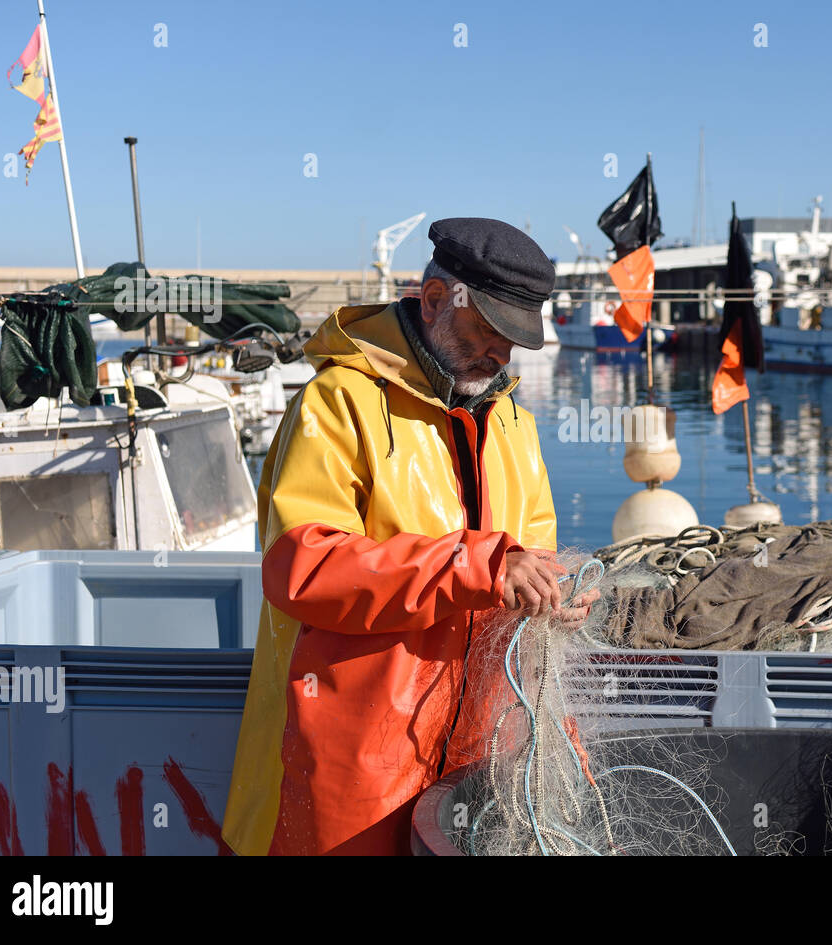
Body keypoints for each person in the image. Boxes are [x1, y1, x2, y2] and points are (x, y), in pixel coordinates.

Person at [222, 217, 597, 855]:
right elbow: (302, 567)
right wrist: (479, 568)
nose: (502, 355)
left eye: (515, 340)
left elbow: (528, 563)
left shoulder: (515, 423)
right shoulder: (334, 403)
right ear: (433, 301)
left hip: (478, 751)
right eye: (491, 330)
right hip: (349, 758)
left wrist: (555, 596)